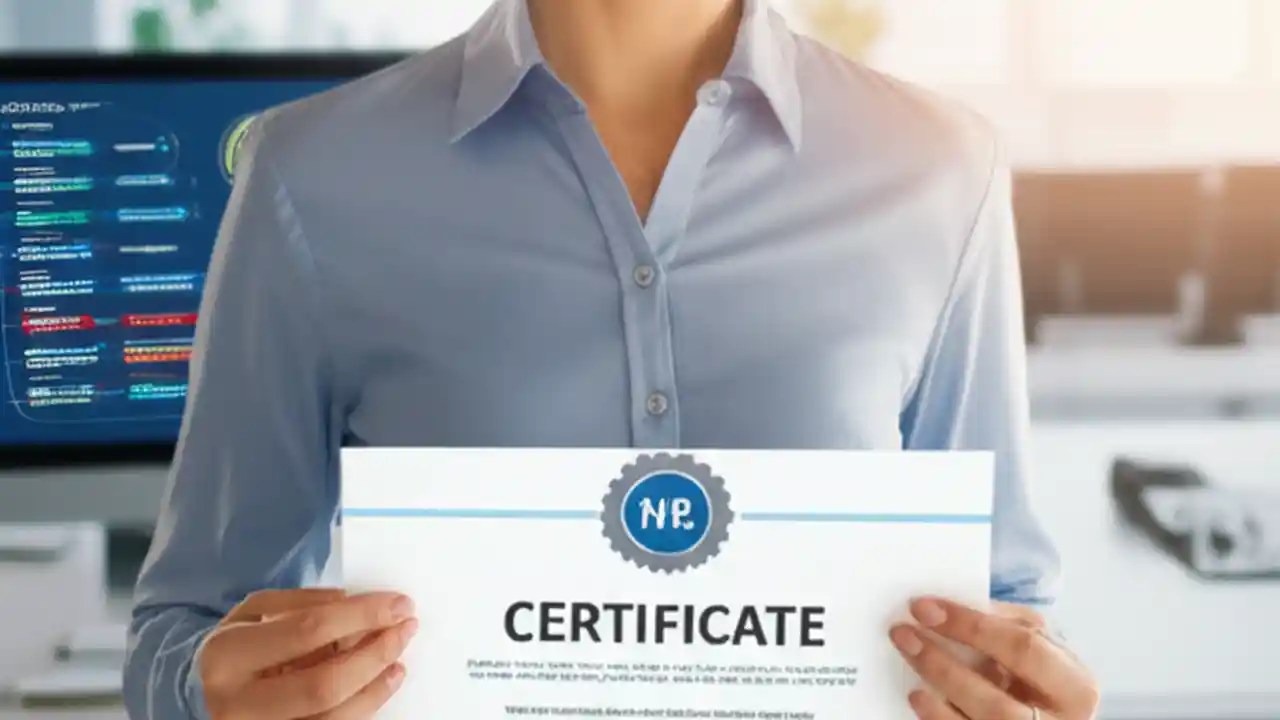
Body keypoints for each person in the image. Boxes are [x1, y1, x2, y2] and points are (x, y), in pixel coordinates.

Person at [124, 0, 1101, 718]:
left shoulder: (935, 167)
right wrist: (210, 694)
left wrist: (1019, 693)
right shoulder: (314, 172)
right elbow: (180, 636)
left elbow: (997, 607)